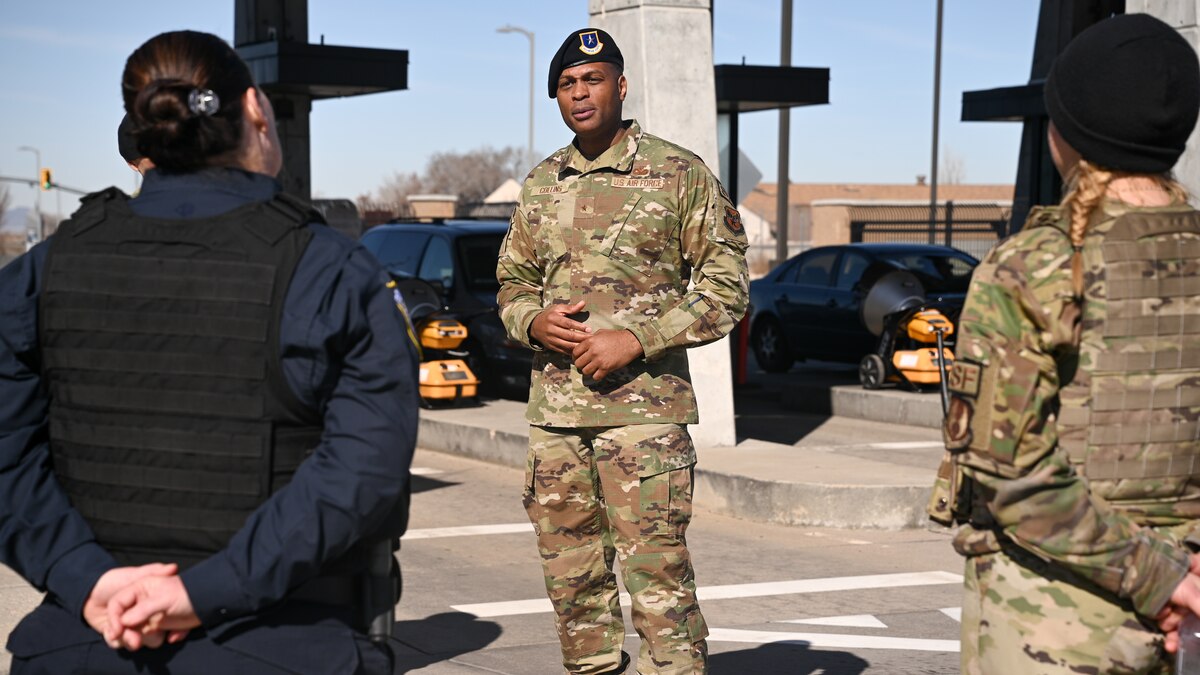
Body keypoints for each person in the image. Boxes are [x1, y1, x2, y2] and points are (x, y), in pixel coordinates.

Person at [0, 30, 417, 674]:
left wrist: (89, 581)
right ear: (255, 111)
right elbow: (363, 473)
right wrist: (200, 594)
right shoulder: (331, 271)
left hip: (86, 643)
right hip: (280, 642)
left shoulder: (42, 270)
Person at [933, 14, 1200, 673]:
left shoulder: (1033, 267)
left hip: (1051, 618)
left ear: (1065, 134)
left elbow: (1009, 473)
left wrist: (1158, 579)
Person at [496, 27, 748, 675]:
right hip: (555, 419)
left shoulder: (679, 172)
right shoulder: (540, 182)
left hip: (645, 418)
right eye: (566, 85)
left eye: (592, 79)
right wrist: (534, 321)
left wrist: (637, 337)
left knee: (659, 584)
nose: (579, 93)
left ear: (621, 86)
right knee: (572, 586)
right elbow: (511, 284)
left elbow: (727, 287)